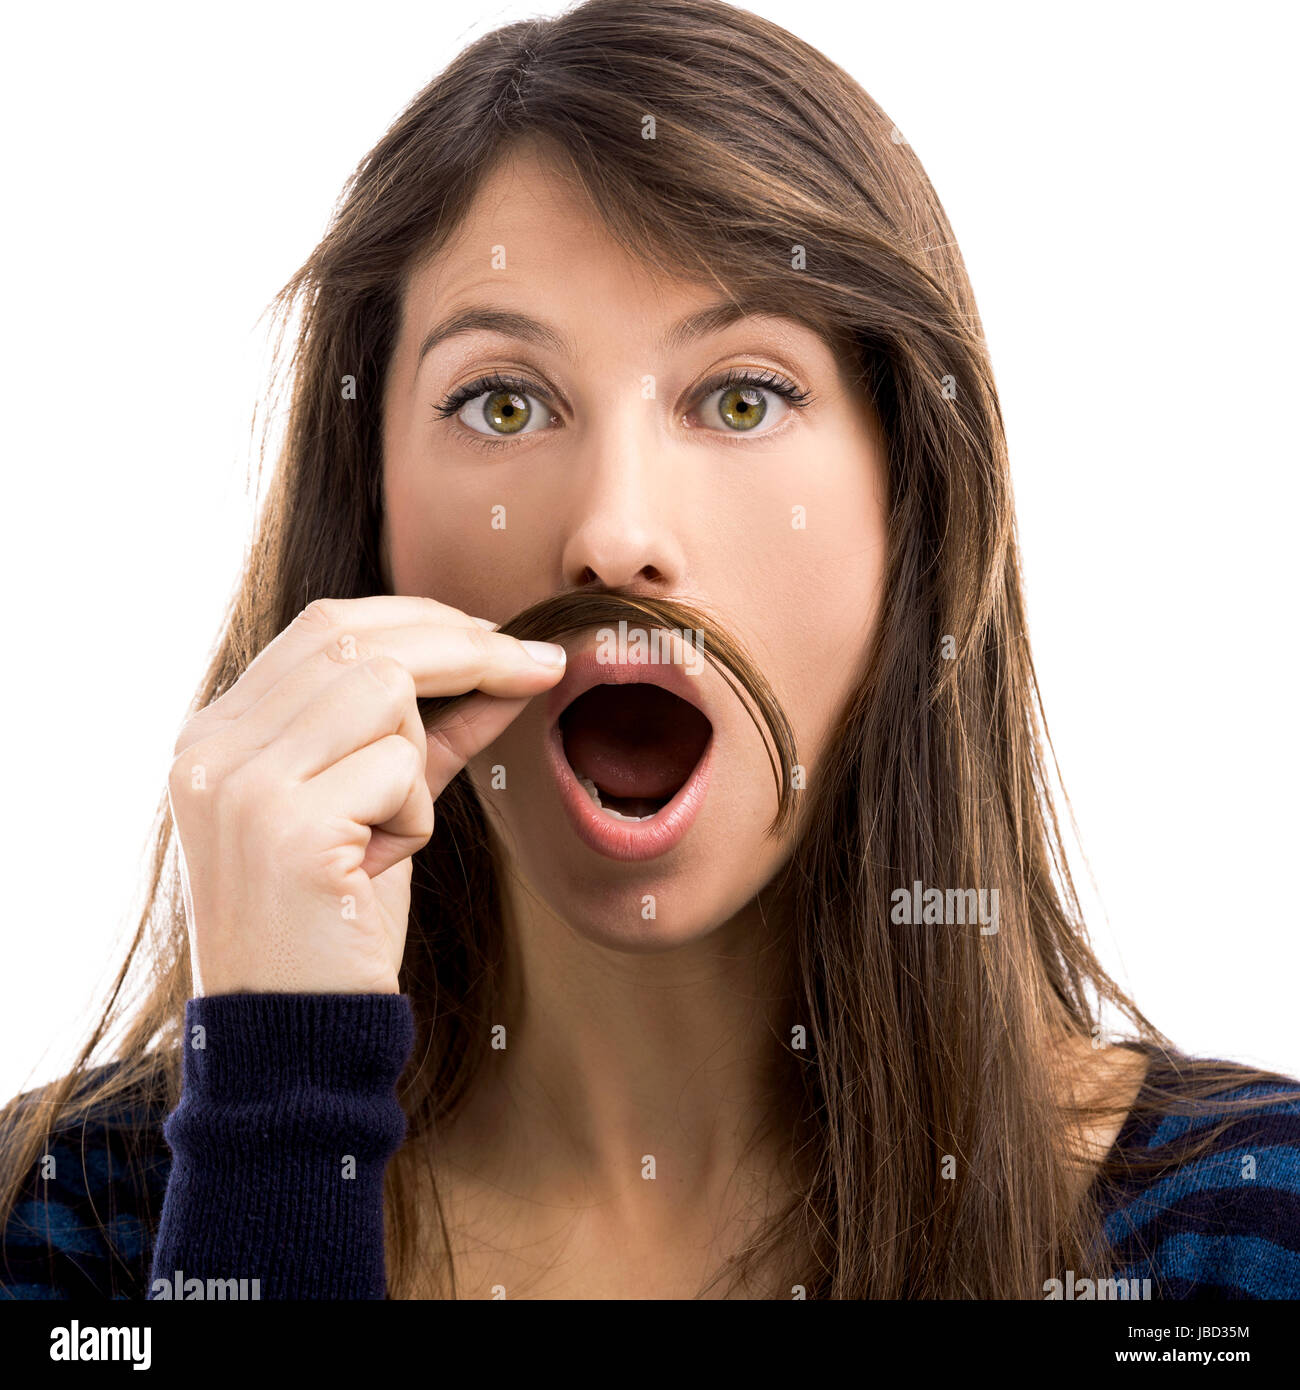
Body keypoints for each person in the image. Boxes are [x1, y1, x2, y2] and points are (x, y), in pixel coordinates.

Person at [3, 0, 1298, 1301]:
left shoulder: (1239, 1240)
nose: (614, 534)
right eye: (503, 401)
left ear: (909, 501)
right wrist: (278, 1108)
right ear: (373, 507)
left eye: (743, 397)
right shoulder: (68, 1225)